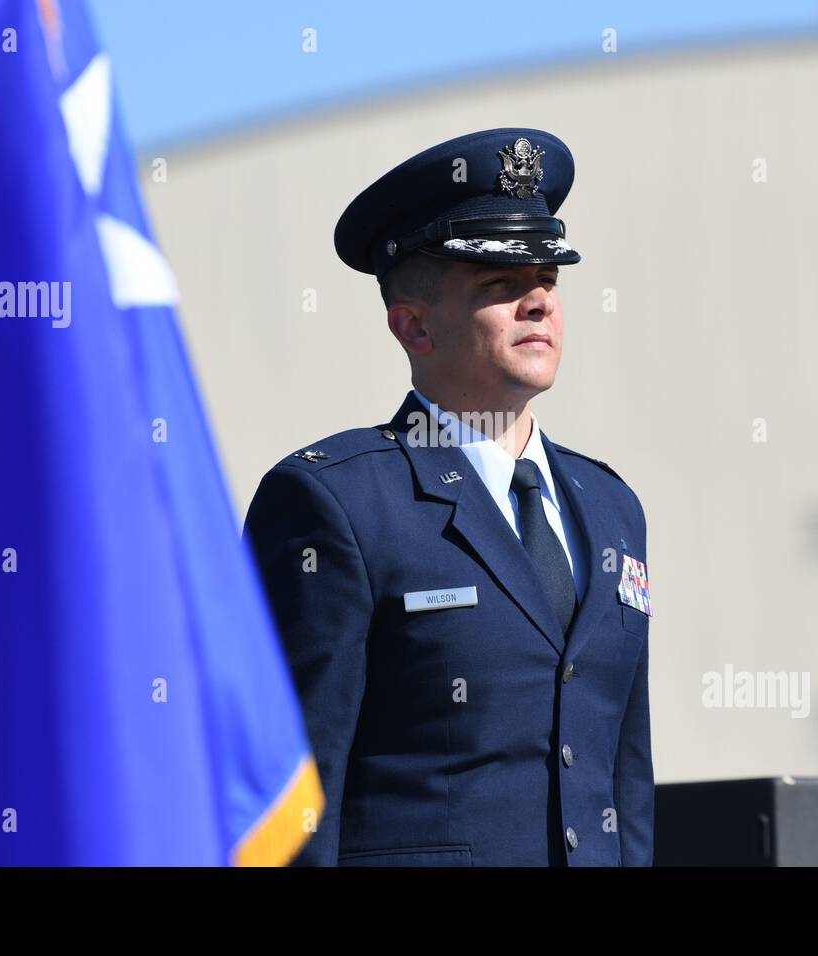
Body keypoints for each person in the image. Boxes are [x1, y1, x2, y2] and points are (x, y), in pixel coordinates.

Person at [244, 128, 653, 866]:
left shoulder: (610, 508)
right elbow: (290, 797)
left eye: (548, 282)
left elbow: (624, 779)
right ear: (414, 325)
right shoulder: (334, 503)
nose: (538, 305)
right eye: (500, 286)